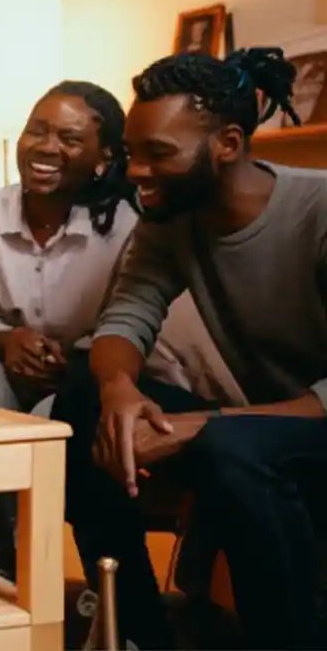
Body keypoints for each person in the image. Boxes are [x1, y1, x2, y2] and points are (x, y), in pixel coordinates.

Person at [51, 47, 324, 649]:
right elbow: (124, 318)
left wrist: (195, 424)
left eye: (157, 154)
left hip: (303, 428)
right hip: (256, 433)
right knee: (80, 398)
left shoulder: (320, 211)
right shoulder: (169, 219)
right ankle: (140, 632)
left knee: (231, 442)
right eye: (131, 154)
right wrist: (120, 392)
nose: (135, 172)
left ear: (227, 143)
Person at [0, 81, 138, 579]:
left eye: (69, 138)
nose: (46, 146)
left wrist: (67, 358)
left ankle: (42, 571)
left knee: (51, 416)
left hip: (87, 376)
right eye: (36, 130)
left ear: (103, 158)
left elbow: (133, 320)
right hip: (3, 364)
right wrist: (3, 340)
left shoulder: (126, 224)